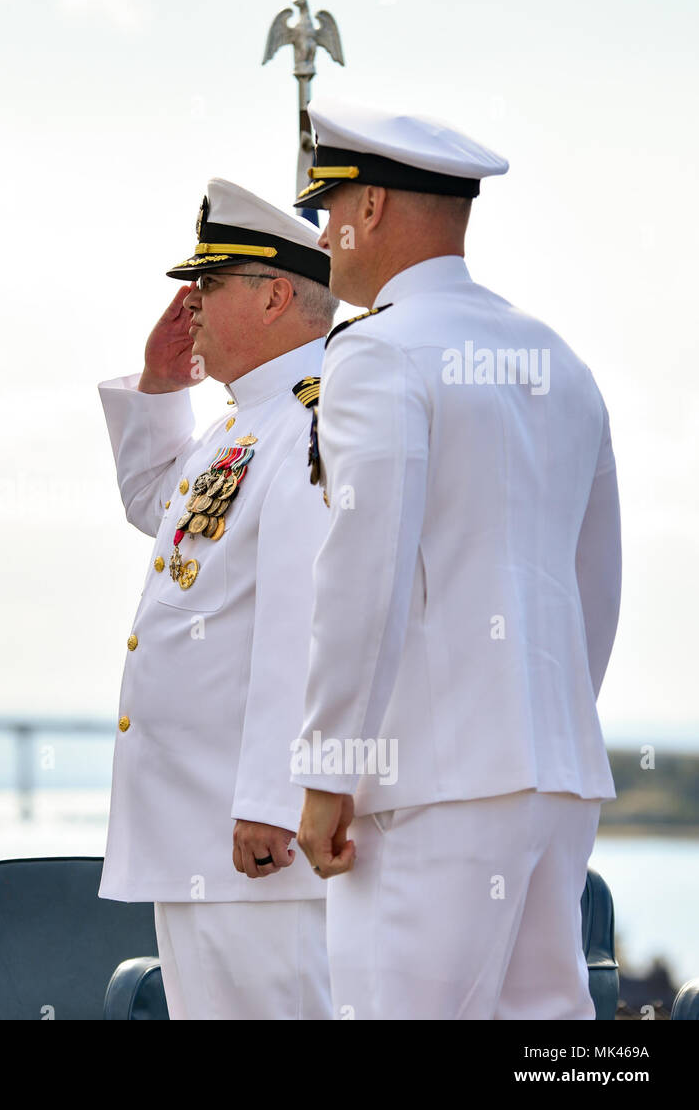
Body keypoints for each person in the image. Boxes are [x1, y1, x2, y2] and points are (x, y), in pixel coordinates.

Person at [290, 100, 621, 1019]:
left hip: (429, 785)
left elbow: (363, 575)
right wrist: (541, 727)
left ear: (378, 209)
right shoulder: (559, 358)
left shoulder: (378, 353)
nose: (324, 231)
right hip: (554, 776)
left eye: (333, 204)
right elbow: (595, 584)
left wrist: (328, 772)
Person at [97, 179, 338, 1019]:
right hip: (207, 833)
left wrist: (273, 798)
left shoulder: (315, 421)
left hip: (259, 843)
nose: (189, 304)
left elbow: (304, 625)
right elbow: (168, 521)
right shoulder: (246, 421)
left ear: (275, 295)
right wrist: (164, 388)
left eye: (210, 285)